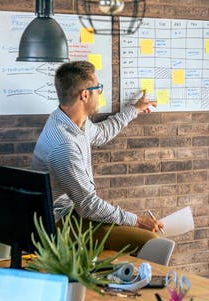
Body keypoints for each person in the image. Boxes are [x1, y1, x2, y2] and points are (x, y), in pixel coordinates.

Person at [32, 60, 165, 252]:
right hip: (62, 224)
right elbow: (89, 206)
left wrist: (133, 110)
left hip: (76, 213)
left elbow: (101, 133)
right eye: (98, 88)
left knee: (146, 238)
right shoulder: (64, 145)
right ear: (85, 94)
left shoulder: (68, 120)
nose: (100, 93)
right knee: (151, 241)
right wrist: (138, 221)